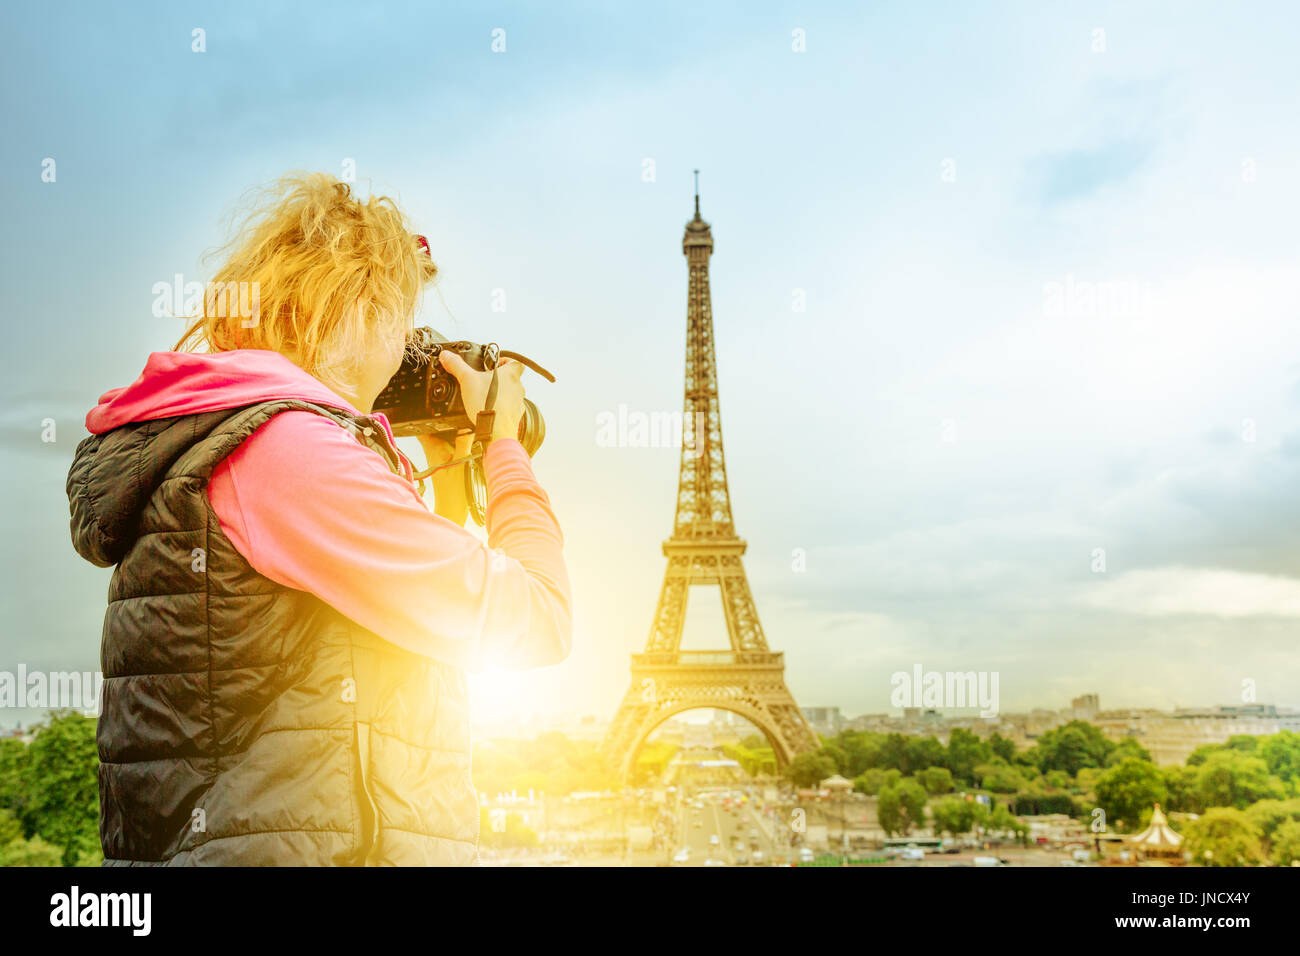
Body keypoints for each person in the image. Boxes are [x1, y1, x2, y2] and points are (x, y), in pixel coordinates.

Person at [66, 173, 572, 865]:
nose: (406, 348)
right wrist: (504, 446)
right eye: (404, 323)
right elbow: (538, 619)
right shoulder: (290, 453)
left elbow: (415, 633)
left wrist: (447, 468)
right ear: (358, 311)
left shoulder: (221, 438)